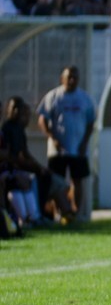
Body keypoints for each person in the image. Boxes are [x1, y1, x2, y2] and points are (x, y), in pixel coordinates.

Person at [36, 66, 96, 217]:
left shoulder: (85, 98)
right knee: (57, 182)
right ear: (62, 78)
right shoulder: (53, 96)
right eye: (69, 77)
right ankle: (59, 213)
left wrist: (84, 143)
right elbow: (42, 119)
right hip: (58, 149)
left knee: (77, 181)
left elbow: (90, 122)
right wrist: (52, 137)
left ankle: (76, 214)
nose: (72, 80)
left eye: (75, 77)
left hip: (78, 148)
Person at [3, 96, 73, 221]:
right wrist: (36, 169)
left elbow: (25, 154)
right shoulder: (7, 129)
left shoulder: (18, 130)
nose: (18, 113)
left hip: (19, 170)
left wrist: (39, 168)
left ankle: (64, 215)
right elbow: (12, 157)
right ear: (8, 109)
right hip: (10, 170)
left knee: (53, 181)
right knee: (33, 181)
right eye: (14, 108)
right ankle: (33, 217)